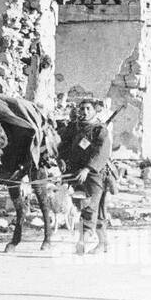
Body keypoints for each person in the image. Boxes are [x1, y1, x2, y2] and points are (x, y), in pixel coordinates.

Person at [61, 99, 110, 254]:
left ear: (95, 110)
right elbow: (63, 146)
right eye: (82, 109)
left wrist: (87, 169)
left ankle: (82, 241)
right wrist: (62, 160)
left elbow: (101, 152)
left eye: (88, 109)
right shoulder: (74, 128)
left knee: (90, 207)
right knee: (89, 208)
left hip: (95, 174)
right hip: (75, 173)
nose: (85, 112)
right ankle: (103, 243)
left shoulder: (100, 129)